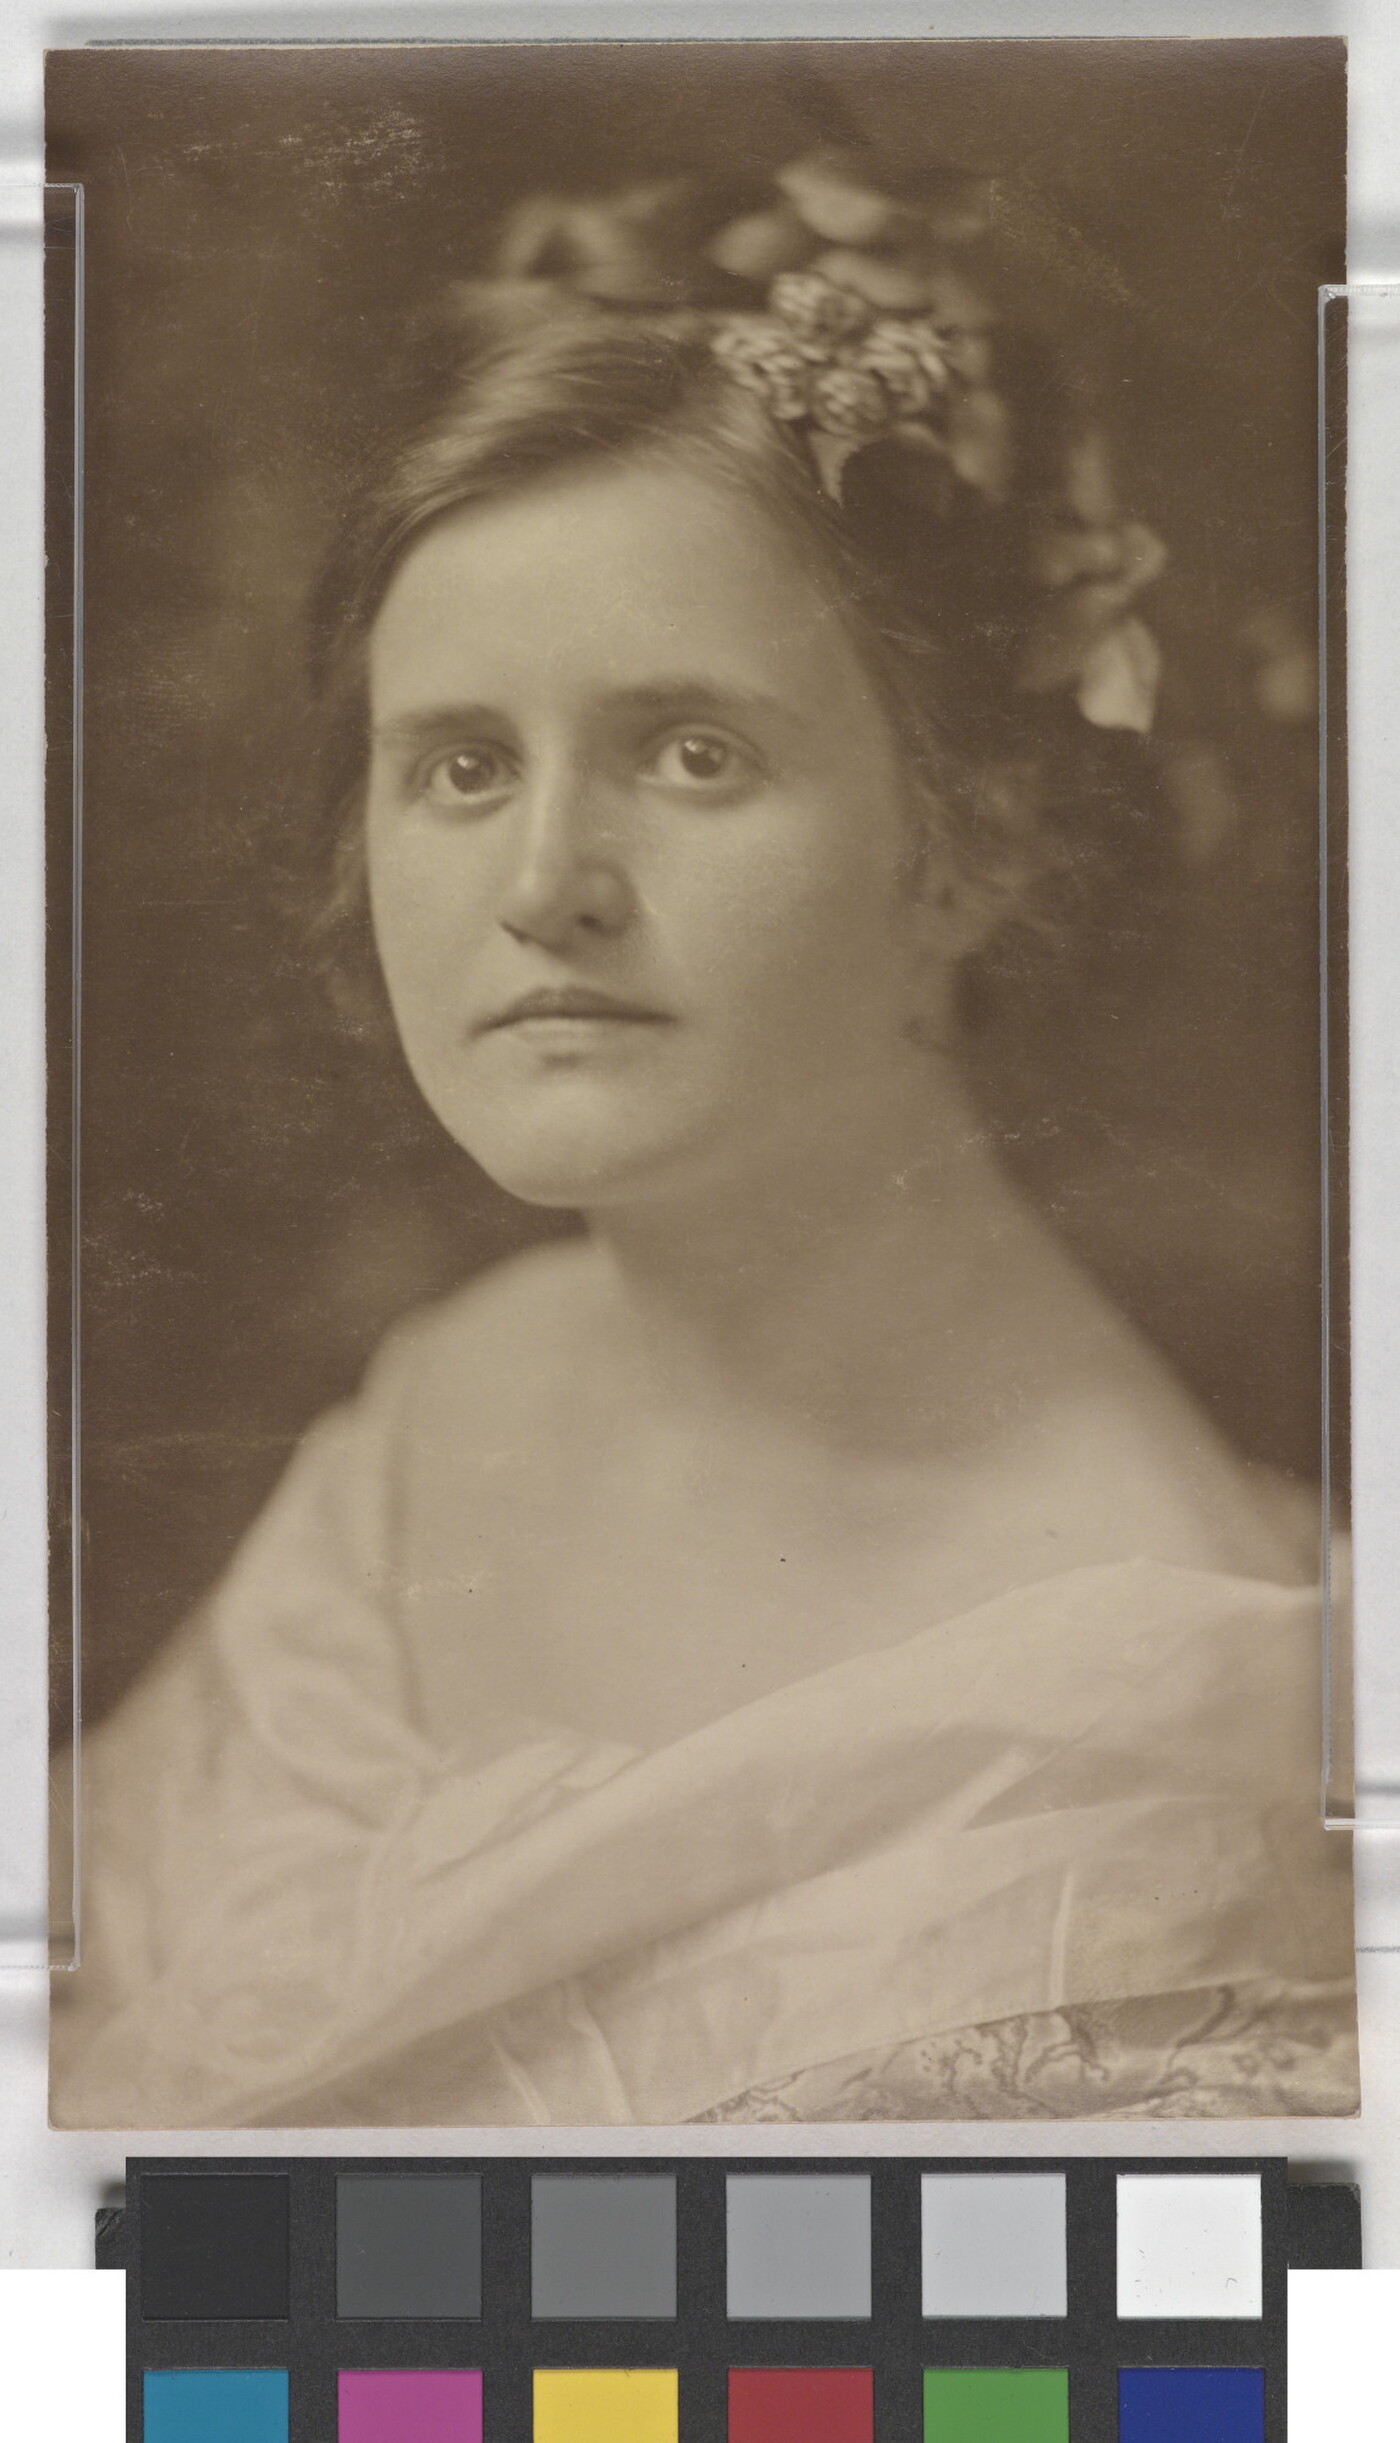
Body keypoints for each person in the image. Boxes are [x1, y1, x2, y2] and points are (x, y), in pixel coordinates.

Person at [51, 151, 1357, 2128]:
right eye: (462, 765)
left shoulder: (1135, 1725)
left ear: (972, 842)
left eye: (693, 752)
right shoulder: (449, 1406)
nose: (546, 884)